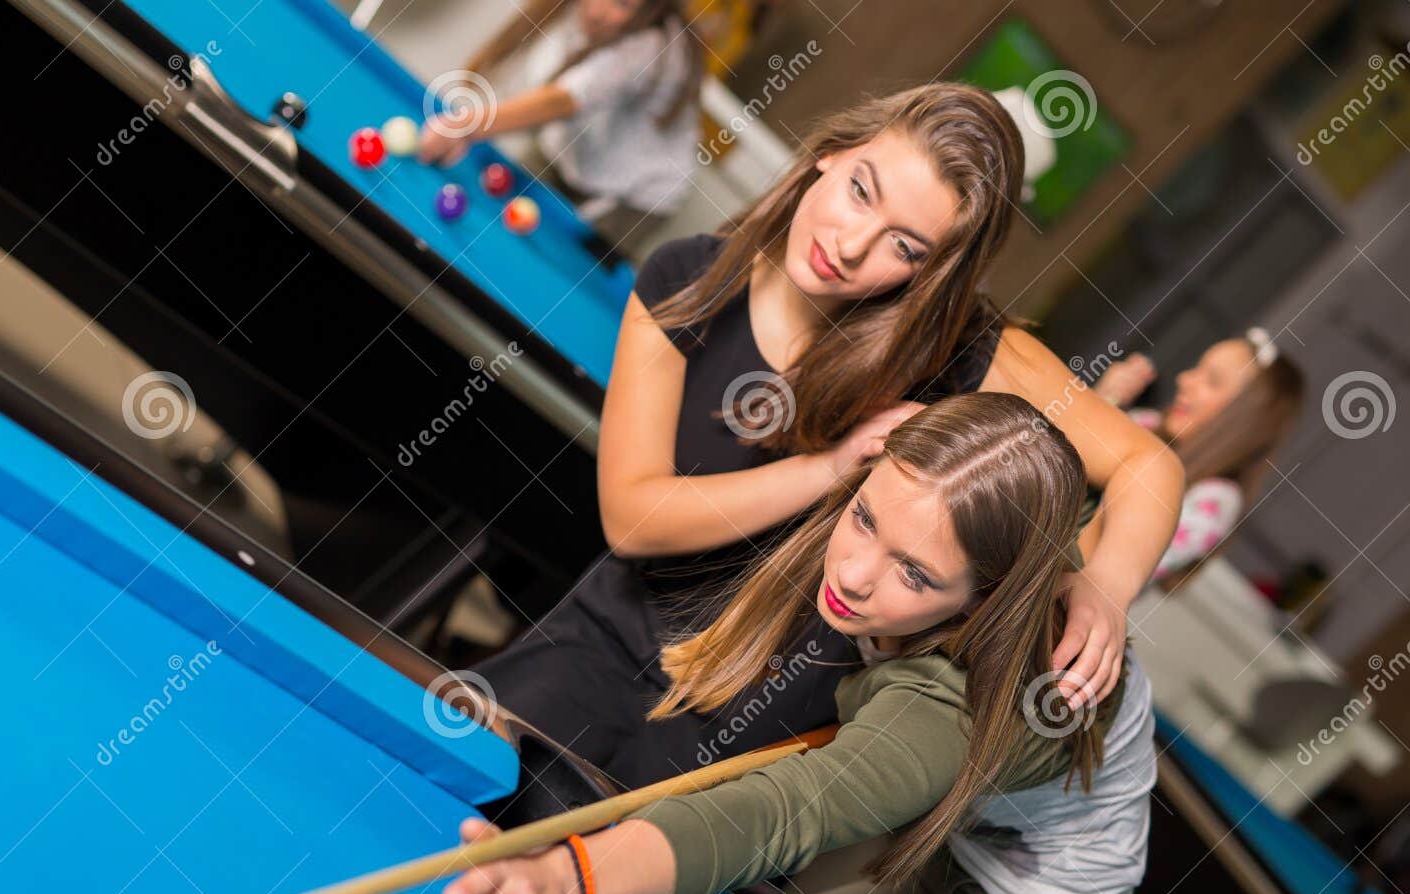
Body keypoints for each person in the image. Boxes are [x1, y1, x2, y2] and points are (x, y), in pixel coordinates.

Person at [475, 82, 1183, 795]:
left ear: (932, 271)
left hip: (763, 725)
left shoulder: (960, 349)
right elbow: (634, 519)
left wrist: (1103, 585)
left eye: (904, 246)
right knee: (446, 794)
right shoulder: (688, 280)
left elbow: (1146, 464)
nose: (850, 246)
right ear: (832, 154)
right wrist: (831, 467)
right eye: (860, 191)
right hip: (599, 647)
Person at [414, 393, 1158, 894]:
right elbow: (1144, 471)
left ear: (988, 599)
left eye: (915, 573)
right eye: (865, 518)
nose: (856, 575)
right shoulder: (989, 500)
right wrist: (1115, 575)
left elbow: (782, 812)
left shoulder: (950, 715)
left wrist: (573, 876)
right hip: (955, 801)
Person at [417, 0, 702, 240]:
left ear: (653, 9)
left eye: (623, 3)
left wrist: (467, 126)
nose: (597, 10)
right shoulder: (576, 10)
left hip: (632, 196)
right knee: (495, 215)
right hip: (565, 152)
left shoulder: (653, 46)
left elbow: (563, 100)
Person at [1094, 327, 1303, 582]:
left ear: (1242, 420)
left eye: (1212, 380)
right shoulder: (1147, 423)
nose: (1184, 379)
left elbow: (1114, 569)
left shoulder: (1215, 500)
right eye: (1197, 368)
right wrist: (1102, 402)